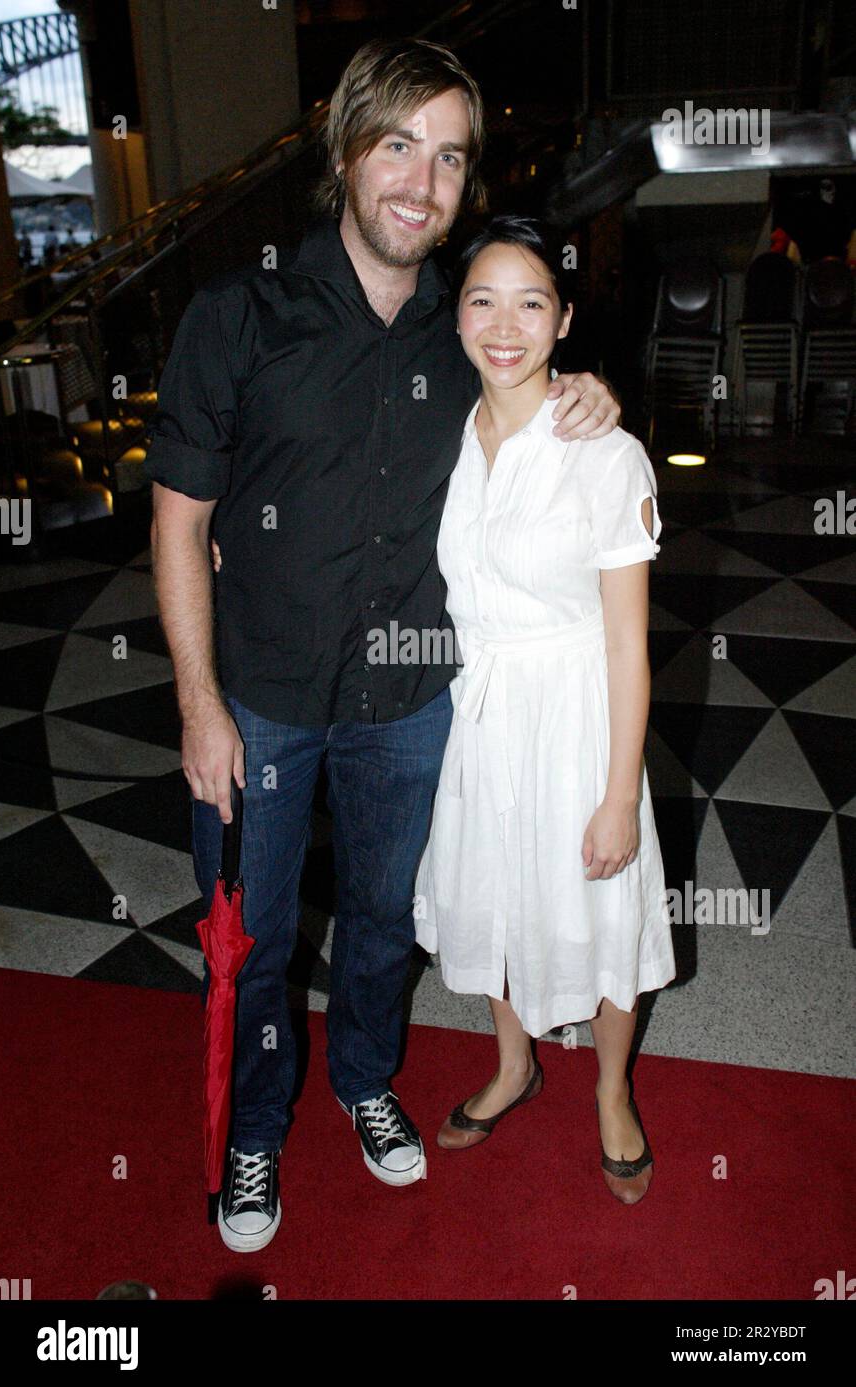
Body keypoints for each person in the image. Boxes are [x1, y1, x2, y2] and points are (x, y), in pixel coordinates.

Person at [145, 37, 621, 1255]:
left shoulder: (460, 329)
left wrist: (589, 392)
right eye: (398, 144)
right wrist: (199, 709)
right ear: (347, 150)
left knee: (380, 919)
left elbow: (534, 372)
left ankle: (362, 1076)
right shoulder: (235, 313)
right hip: (257, 694)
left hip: (411, 701)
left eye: (449, 155)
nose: (421, 180)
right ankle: (257, 1127)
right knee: (248, 938)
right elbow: (179, 519)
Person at [413, 215, 676, 1205]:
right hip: (482, 716)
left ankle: (610, 1086)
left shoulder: (601, 451)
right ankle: (514, 1060)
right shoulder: (449, 429)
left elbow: (624, 641)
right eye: (482, 299)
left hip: (574, 713)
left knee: (596, 907)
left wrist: (617, 794)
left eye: (531, 301)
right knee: (492, 895)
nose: (504, 322)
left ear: (562, 319)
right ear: (457, 318)